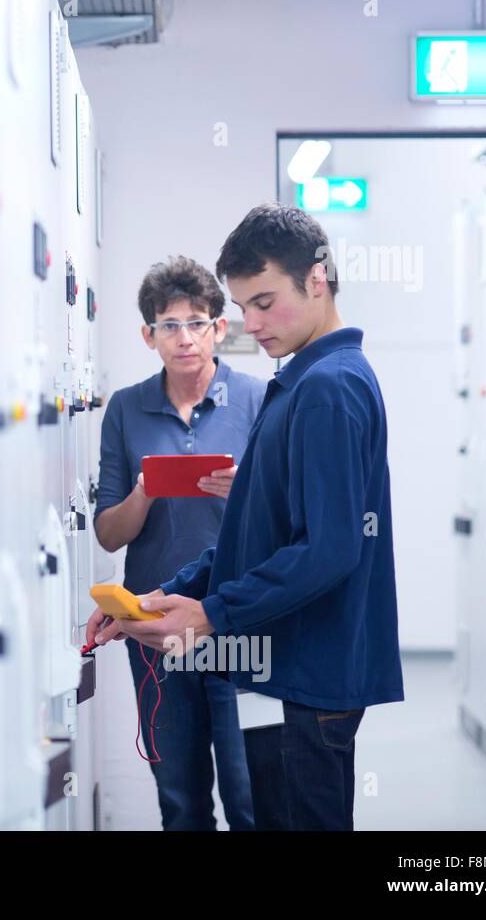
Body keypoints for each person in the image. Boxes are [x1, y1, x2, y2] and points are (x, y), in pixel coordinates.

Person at [93, 203, 405, 831]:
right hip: (289, 663)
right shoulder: (299, 382)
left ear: (317, 279)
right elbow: (257, 539)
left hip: (311, 673)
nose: (250, 324)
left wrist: (211, 613)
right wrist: (164, 594)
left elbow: (330, 549)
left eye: (263, 302)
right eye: (242, 307)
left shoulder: (329, 387)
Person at [91, 255, 266, 830]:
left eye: (197, 322)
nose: (185, 338)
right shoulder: (125, 409)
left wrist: (248, 488)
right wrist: (144, 489)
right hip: (155, 627)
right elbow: (110, 534)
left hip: (238, 621)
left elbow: (284, 519)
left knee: (250, 797)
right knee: (181, 800)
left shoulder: (258, 400)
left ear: (221, 326)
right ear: (149, 336)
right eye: (169, 325)